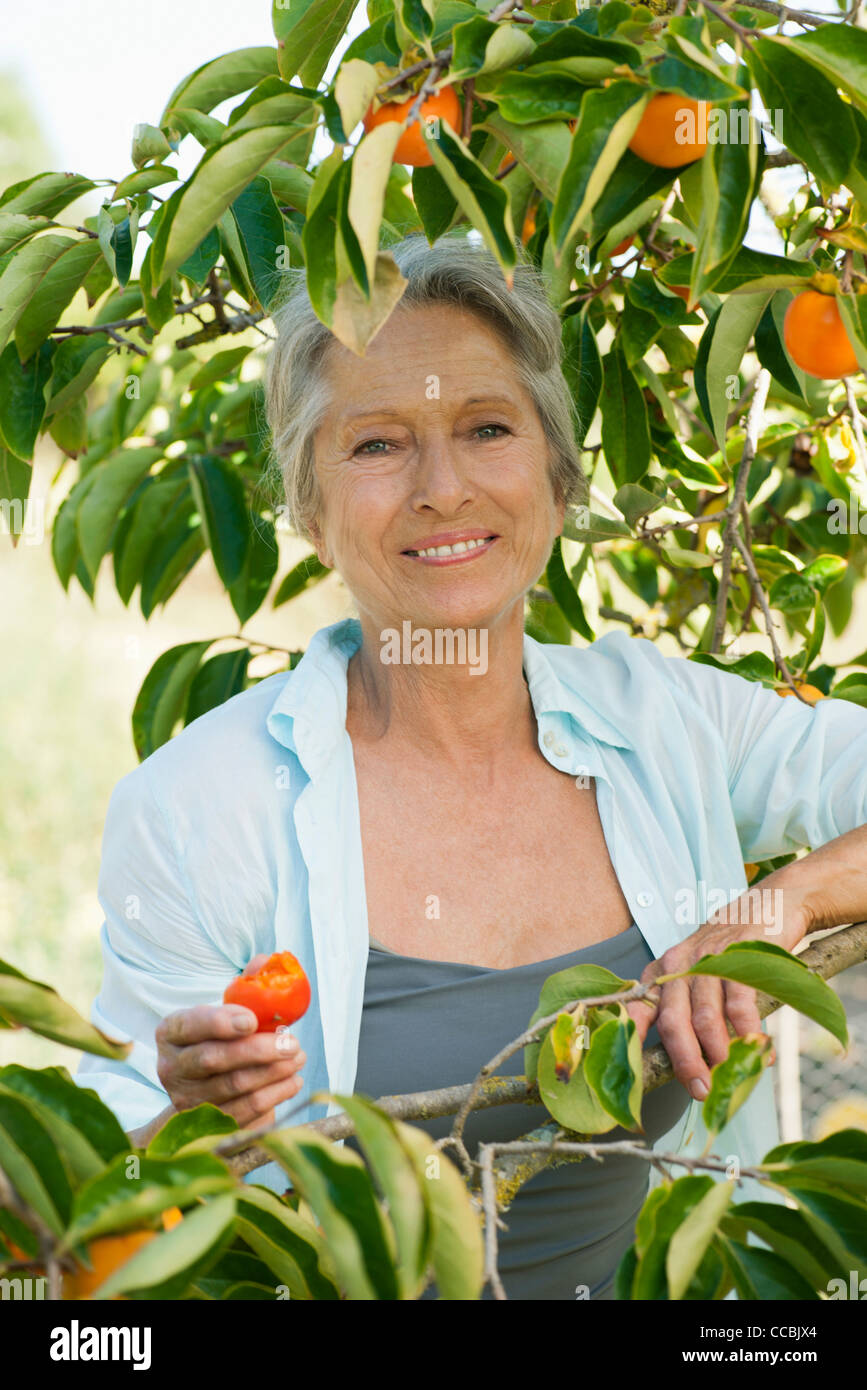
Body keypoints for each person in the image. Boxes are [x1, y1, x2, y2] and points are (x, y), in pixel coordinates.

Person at [76, 231, 867, 1299]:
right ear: (311, 509)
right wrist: (190, 1124)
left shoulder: (665, 716)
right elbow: (94, 1218)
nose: (443, 488)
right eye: (377, 445)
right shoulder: (195, 808)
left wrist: (784, 903)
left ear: (555, 472)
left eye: (486, 428)